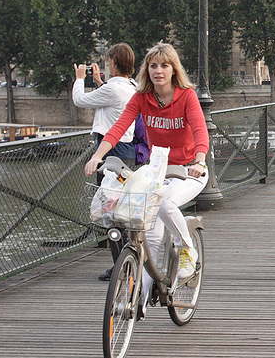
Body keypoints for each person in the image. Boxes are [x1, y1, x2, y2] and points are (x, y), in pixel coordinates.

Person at [83, 43, 209, 314]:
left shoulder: (186, 96)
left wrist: (199, 160)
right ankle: (137, 300)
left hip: (188, 171)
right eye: (153, 66)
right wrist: (97, 156)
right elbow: (118, 128)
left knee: (164, 205)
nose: (158, 71)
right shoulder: (142, 97)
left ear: (174, 69)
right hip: (159, 171)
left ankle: (188, 251)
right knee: (148, 236)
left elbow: (200, 131)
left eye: (164, 65)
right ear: (146, 70)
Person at [73, 43, 139, 281]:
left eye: (107, 60)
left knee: (110, 210)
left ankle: (121, 266)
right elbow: (114, 101)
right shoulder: (132, 86)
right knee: (121, 208)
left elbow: (80, 100)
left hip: (110, 151)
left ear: (113, 62)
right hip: (127, 150)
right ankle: (126, 261)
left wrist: (80, 78)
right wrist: (101, 82)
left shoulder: (114, 89)